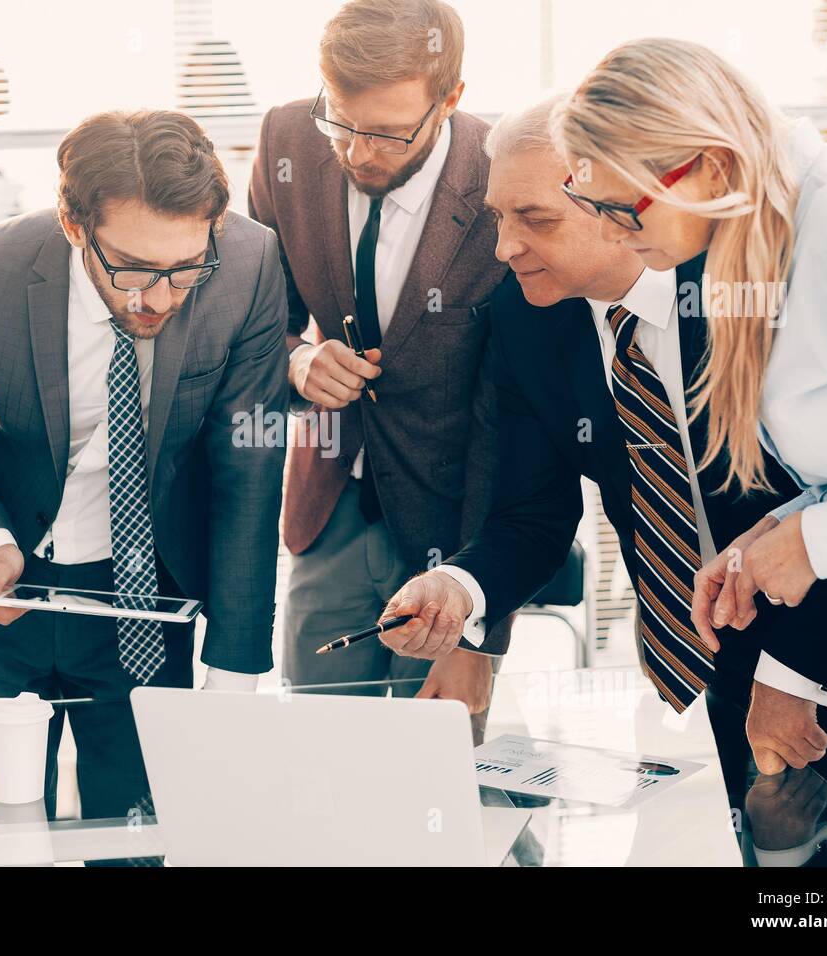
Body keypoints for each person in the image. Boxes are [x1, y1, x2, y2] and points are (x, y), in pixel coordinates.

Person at [372, 96, 827, 810]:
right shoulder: (525, 321)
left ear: (617, 203)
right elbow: (530, 518)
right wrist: (460, 589)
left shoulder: (748, 284)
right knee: (766, 862)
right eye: (498, 216)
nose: (503, 247)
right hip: (714, 646)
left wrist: (790, 675)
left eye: (535, 218)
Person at [550, 37, 827, 864]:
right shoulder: (750, 241)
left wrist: (817, 542)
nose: (613, 234)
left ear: (709, 164)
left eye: (626, 210)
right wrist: (771, 538)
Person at [0, 110, 288, 826]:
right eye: (135, 270)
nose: (161, 298)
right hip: (1, 599)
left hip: (148, 597)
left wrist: (234, 669)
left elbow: (249, 464)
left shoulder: (245, 264)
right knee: (6, 832)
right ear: (75, 226)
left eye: (185, 270)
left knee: (144, 832)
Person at [248, 0, 508, 721]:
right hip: (326, 506)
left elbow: (515, 425)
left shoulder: (506, 179)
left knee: (435, 774)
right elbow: (256, 324)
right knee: (317, 756)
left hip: (452, 526)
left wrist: (475, 638)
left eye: (390, 134)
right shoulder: (287, 140)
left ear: (451, 99)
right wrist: (299, 362)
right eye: (343, 121)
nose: (359, 153)